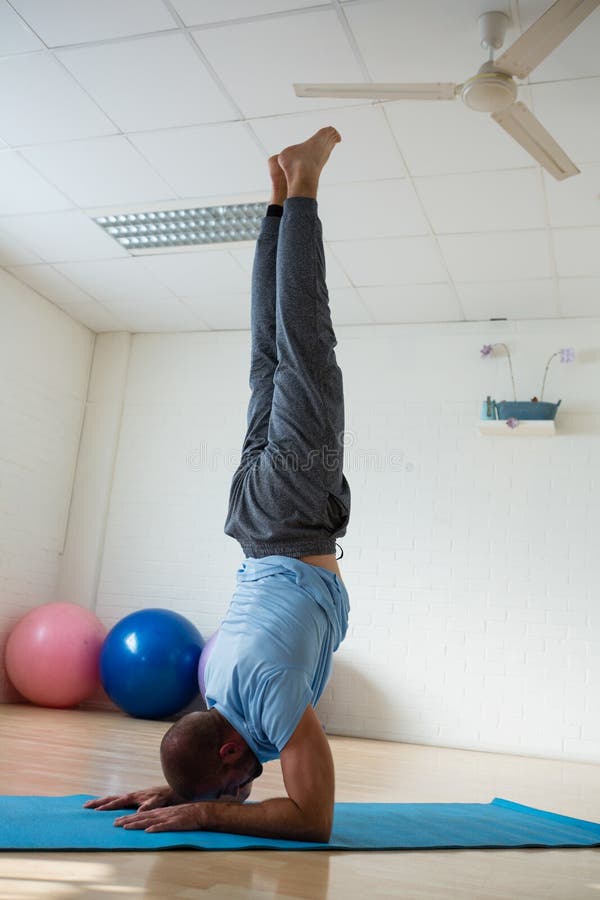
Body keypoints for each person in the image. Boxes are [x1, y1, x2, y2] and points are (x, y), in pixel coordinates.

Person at [85, 127, 351, 843]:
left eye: (231, 785)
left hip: (292, 518)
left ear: (230, 753)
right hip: (254, 523)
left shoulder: (269, 697)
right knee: (271, 359)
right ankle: (277, 201)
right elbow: (225, 756)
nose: (239, 796)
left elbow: (315, 820)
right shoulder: (218, 693)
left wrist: (203, 806)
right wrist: (180, 786)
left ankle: (303, 183)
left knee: (304, 345)